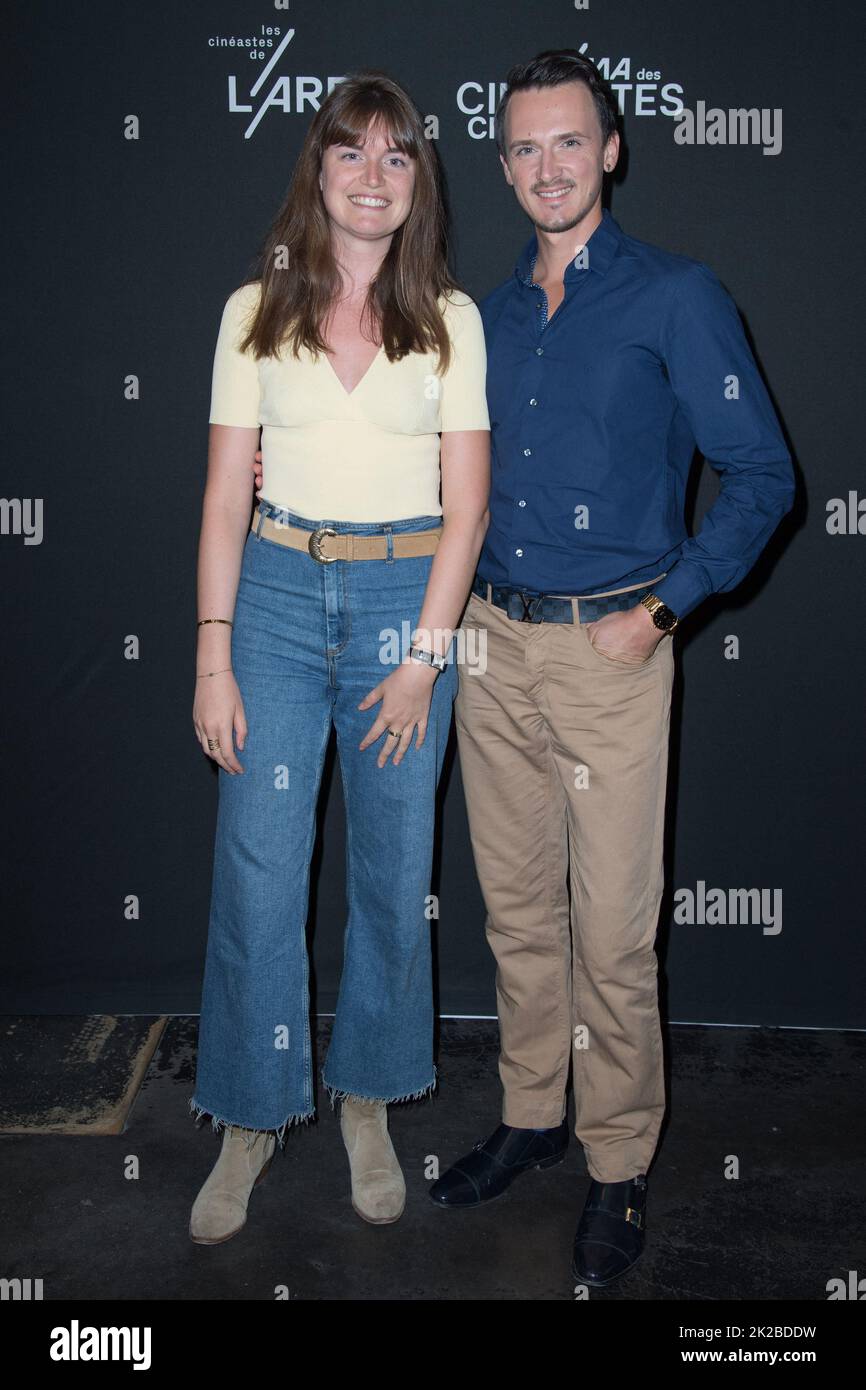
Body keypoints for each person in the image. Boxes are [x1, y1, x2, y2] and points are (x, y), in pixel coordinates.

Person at [425, 50, 796, 1288]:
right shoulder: (482, 314)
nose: (546, 167)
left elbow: (763, 476)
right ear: (503, 162)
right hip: (492, 647)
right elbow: (441, 483)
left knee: (613, 934)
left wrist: (662, 609)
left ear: (610, 149)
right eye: (524, 147)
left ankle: (617, 1155)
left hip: (606, 653)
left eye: (567, 142)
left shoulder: (678, 297)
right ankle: (534, 1114)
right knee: (517, 912)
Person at [188, 70, 490, 1244]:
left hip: (401, 602)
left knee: (390, 863)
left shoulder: (450, 322)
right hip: (266, 593)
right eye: (349, 153)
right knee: (257, 870)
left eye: (396, 156)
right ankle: (252, 1114)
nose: (372, 176)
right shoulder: (248, 311)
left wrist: (423, 658)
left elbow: (466, 511)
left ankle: (366, 1099)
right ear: (315, 171)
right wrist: (211, 652)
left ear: (418, 183)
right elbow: (221, 498)